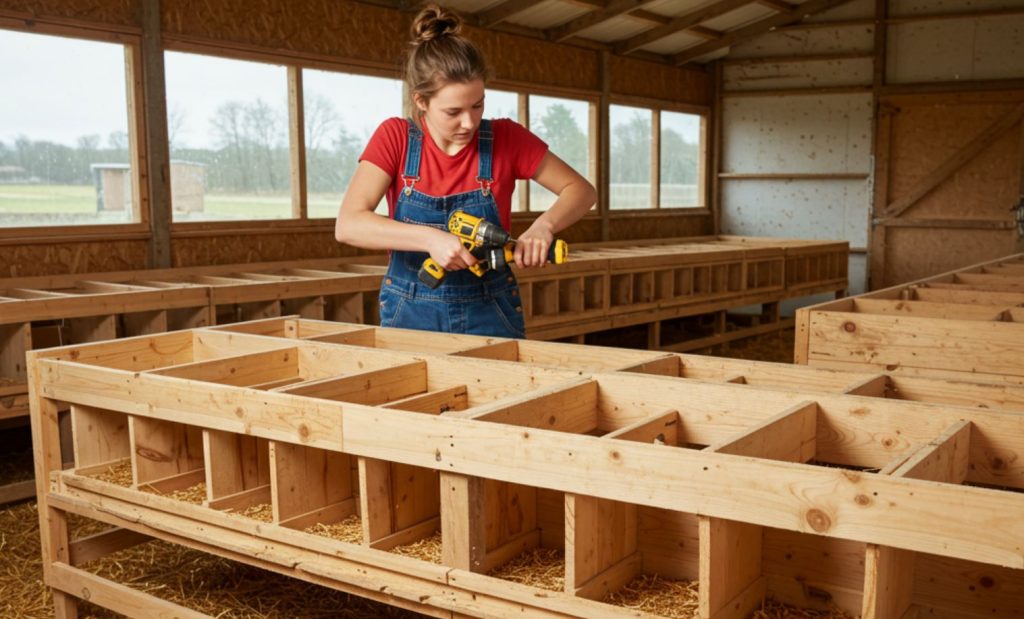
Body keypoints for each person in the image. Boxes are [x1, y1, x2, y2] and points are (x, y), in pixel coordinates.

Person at [335, 4, 596, 338]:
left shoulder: (506, 138)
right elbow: (349, 224)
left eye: (478, 105)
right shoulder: (396, 138)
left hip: (490, 308)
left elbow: (582, 191)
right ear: (421, 101)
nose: (469, 122)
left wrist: (543, 227)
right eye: (453, 111)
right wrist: (431, 239)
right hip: (411, 308)